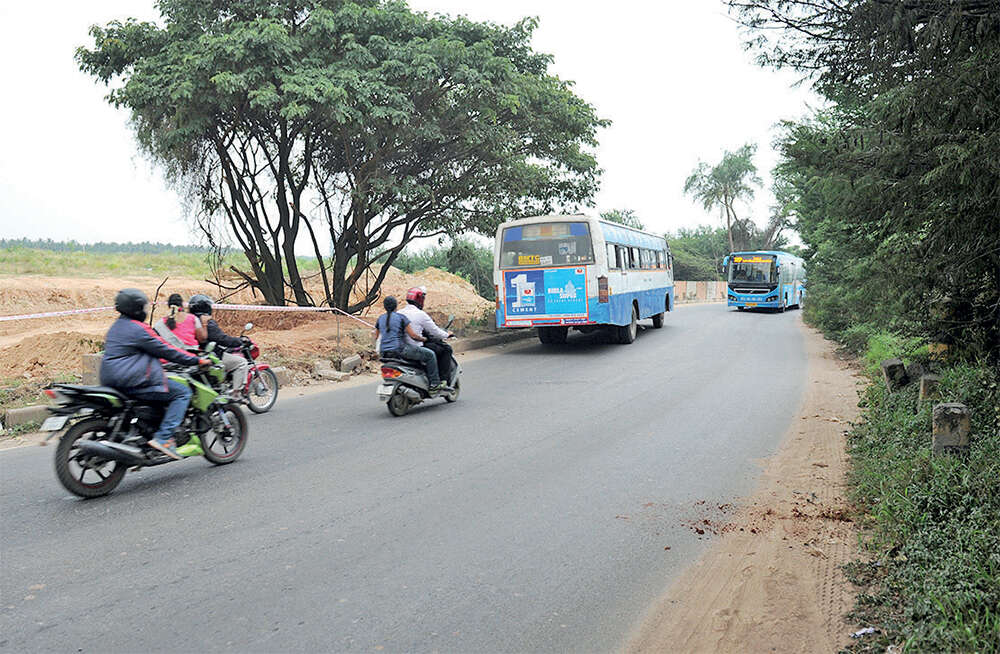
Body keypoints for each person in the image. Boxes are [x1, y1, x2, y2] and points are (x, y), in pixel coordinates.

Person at [100, 288, 208, 460]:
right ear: (136, 308)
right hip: (133, 380)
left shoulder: (116, 327)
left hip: (110, 379)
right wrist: (196, 360)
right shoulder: (139, 329)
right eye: (144, 307)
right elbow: (166, 350)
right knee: (182, 392)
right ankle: (164, 438)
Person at [373, 296, 444, 393]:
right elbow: (413, 335)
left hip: (384, 353)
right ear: (396, 306)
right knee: (430, 355)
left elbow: (376, 336)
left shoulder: (380, 318)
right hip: (399, 350)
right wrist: (424, 339)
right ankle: (434, 384)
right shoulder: (401, 317)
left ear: (384, 306)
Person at [187, 294, 250, 396]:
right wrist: (240, 341)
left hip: (192, 354)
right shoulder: (207, 322)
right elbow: (222, 339)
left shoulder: (188, 320)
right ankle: (236, 394)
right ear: (206, 307)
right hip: (210, 356)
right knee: (241, 363)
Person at [398, 286, 454, 384]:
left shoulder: (399, 313)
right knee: (445, 350)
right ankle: (439, 381)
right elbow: (435, 332)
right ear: (420, 299)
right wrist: (447, 334)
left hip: (401, 347)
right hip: (415, 347)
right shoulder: (421, 314)